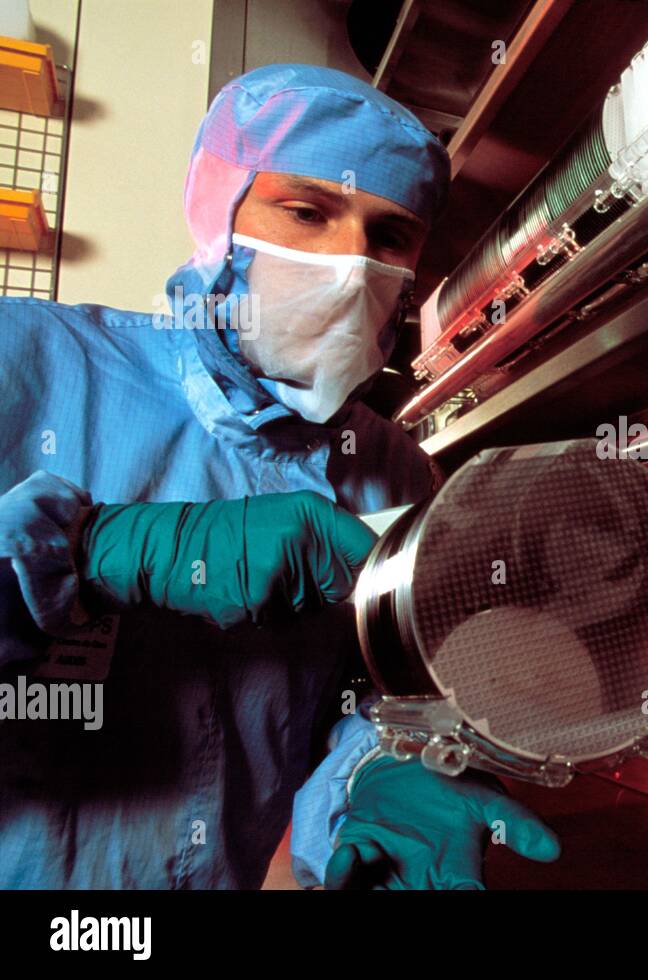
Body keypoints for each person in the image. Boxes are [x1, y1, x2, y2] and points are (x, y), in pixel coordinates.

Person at [0, 63, 560, 889]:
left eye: (390, 237)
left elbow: (388, 691)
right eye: (307, 212)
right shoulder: (31, 362)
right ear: (217, 212)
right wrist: (94, 553)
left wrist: (386, 769)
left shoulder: (396, 473)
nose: (351, 264)